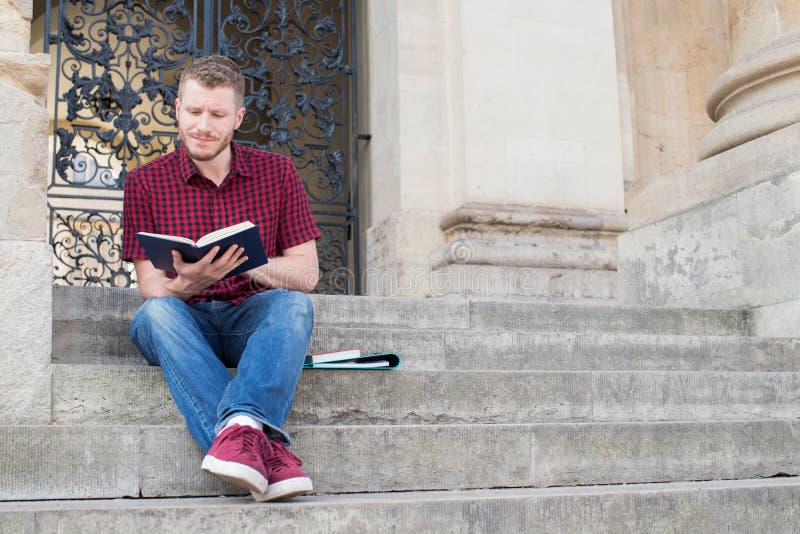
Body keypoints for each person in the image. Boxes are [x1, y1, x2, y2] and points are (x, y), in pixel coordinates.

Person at [122, 55, 321, 502]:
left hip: (245, 318)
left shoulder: (278, 173)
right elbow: (153, 289)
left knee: (294, 304)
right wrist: (189, 281)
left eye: (217, 114)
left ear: (239, 117)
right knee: (155, 313)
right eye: (194, 112)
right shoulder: (144, 183)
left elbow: (307, 274)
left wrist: (247, 263)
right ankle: (262, 443)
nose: (203, 126)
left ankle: (238, 435)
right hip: (181, 324)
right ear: (177, 109)